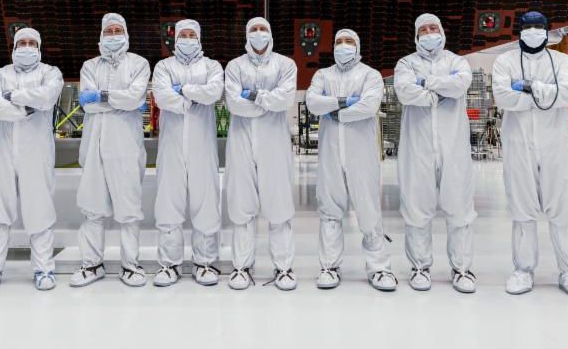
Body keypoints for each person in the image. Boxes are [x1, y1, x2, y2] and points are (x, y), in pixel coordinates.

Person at [491, 11, 568, 301]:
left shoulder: (562, 61)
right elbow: (503, 98)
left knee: (561, 207)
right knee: (522, 207)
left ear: (548, 31)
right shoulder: (505, 61)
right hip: (518, 140)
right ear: (520, 31)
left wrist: (526, 87)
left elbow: (566, 96)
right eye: (528, 27)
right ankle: (523, 270)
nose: (534, 31)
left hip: (555, 142)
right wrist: (545, 94)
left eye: (539, 27)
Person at [0, 28, 64, 293]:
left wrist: (12, 97)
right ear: (13, 47)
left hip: (37, 152)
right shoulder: (0, 75)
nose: (26, 46)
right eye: (21, 42)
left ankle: (44, 269)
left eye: (32, 43)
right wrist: (27, 108)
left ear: (39, 46)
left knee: (40, 209)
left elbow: (46, 99)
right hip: (2, 151)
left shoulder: (51, 73)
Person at [306, 29, 397, 292]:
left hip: (361, 153)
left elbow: (369, 106)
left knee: (368, 209)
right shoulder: (323, 75)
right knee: (330, 208)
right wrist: (346, 103)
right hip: (330, 153)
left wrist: (335, 112)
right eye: (338, 42)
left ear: (357, 47)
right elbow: (313, 102)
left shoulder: (370, 74)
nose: (343, 46)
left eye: (348, 42)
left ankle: (379, 268)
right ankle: (329, 266)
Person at [393, 13, 478, 293]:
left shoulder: (457, 61)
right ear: (416, 36)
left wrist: (425, 82)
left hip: (453, 147)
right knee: (417, 207)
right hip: (417, 147)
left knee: (460, 208)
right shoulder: (406, 63)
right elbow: (405, 91)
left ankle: (462, 268)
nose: (429, 33)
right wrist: (442, 84)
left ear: (442, 31)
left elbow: (461, 83)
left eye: (433, 28)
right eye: (423, 29)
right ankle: (419, 267)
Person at [70, 13, 151, 288]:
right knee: (92, 208)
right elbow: (87, 105)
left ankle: (131, 266)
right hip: (94, 146)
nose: (113, 34)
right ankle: (92, 265)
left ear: (126, 34)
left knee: (128, 209)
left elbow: (134, 99)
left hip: (126, 147)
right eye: (109, 30)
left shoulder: (138, 64)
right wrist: (119, 97)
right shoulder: (90, 65)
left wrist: (103, 96)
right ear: (102, 35)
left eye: (118, 30)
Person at [223, 17, 299, 291]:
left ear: (270, 33)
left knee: (278, 205)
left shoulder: (285, 65)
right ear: (246, 34)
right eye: (253, 29)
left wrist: (252, 96)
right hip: (241, 141)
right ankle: (242, 267)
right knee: (241, 204)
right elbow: (234, 104)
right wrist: (267, 99)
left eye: (263, 29)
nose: (258, 33)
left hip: (274, 142)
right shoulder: (234, 66)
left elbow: (285, 100)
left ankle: (284, 268)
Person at [151, 19, 226, 287]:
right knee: (168, 201)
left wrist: (181, 90)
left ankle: (205, 262)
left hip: (202, 146)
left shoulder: (212, 66)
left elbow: (214, 92)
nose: (186, 38)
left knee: (205, 200)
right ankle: (169, 264)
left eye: (191, 34)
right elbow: (162, 97)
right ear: (174, 37)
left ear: (199, 37)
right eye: (182, 34)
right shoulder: (163, 67)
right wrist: (194, 95)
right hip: (171, 146)